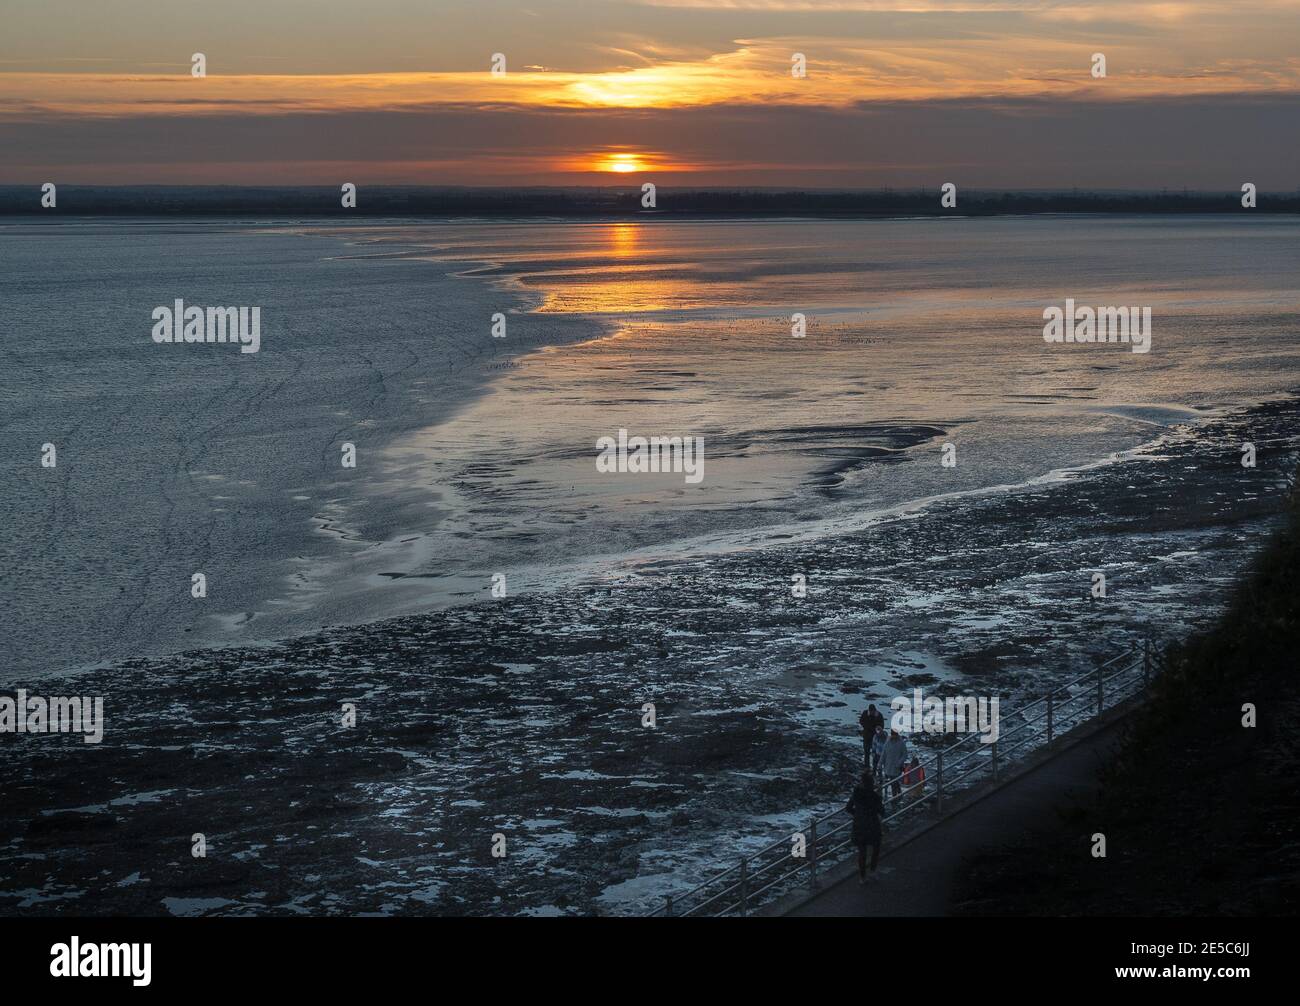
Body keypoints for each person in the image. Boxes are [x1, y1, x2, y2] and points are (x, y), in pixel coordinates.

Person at [845, 772, 883, 883]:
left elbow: (848, 808)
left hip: (859, 825)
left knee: (862, 852)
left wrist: (857, 814)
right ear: (871, 784)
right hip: (872, 825)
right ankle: (873, 870)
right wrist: (880, 794)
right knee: (876, 847)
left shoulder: (856, 794)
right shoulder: (874, 796)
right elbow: (881, 810)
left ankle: (862, 877)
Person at [880, 729, 909, 799]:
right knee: (894, 782)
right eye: (893, 734)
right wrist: (880, 762)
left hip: (896, 766)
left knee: (894, 782)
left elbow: (905, 755)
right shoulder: (888, 742)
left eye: (895, 735)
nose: (893, 736)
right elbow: (884, 753)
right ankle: (899, 795)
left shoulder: (901, 743)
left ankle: (895, 796)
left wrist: (899, 763)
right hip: (888, 765)